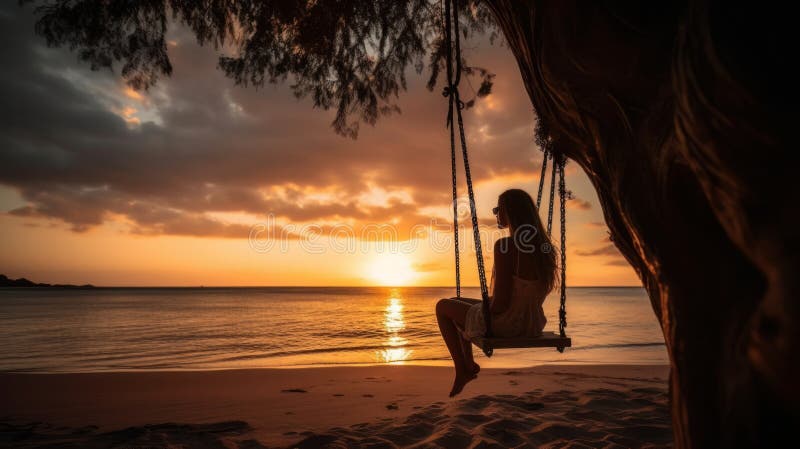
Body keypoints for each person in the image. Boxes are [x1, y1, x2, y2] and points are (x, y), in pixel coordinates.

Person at [435, 188, 558, 397]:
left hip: (507, 325)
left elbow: (500, 304)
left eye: (497, 209)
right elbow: (525, 295)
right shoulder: (546, 250)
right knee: (457, 302)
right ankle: (469, 364)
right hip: (532, 323)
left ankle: (461, 369)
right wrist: (478, 307)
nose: (495, 214)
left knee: (442, 307)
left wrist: (479, 309)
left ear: (509, 212)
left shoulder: (506, 246)